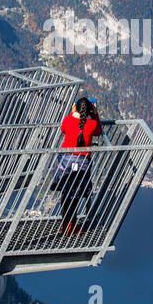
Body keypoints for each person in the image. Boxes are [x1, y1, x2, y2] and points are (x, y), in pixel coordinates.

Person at [54, 97, 102, 234]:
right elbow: (98, 131)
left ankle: (66, 223)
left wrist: (71, 112)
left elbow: (63, 128)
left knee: (66, 193)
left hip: (65, 160)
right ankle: (71, 226)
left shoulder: (68, 120)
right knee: (74, 195)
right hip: (81, 163)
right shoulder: (91, 124)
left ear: (75, 108)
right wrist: (96, 112)